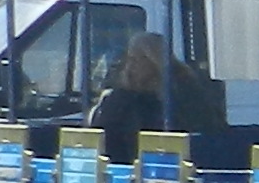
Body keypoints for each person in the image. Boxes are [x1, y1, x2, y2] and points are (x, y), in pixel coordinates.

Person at [84, 31, 228, 162]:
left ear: (153, 60)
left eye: (136, 59)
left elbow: (204, 127)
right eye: (129, 59)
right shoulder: (122, 97)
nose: (130, 65)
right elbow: (102, 136)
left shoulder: (185, 91)